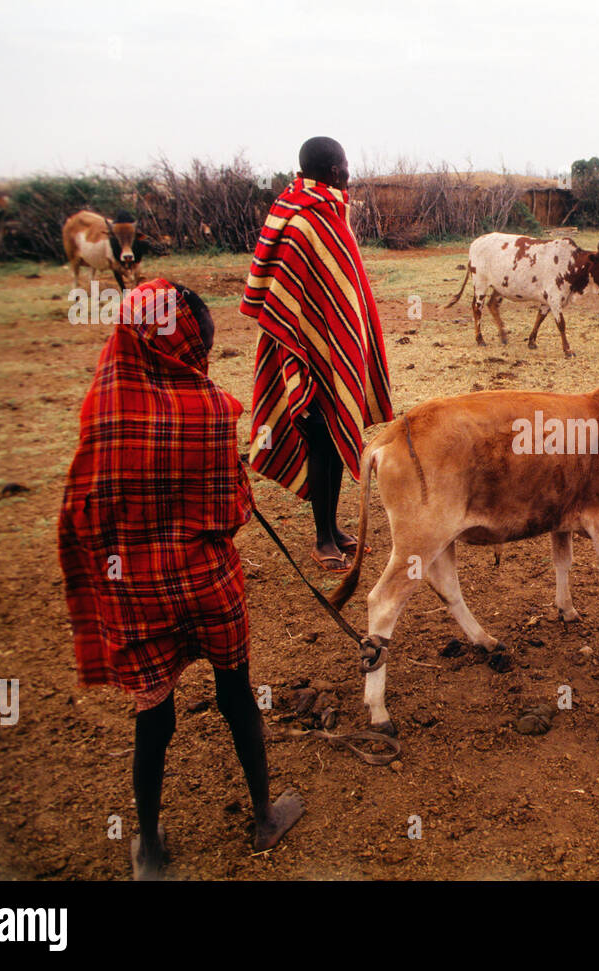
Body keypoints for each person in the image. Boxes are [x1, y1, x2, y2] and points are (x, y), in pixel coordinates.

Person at [59, 280, 303, 879]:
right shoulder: (213, 411)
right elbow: (233, 512)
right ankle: (264, 817)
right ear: (184, 347)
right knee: (236, 696)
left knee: (154, 719)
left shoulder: (102, 409)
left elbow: (84, 512)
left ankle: (149, 844)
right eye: (202, 352)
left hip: (135, 599)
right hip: (207, 588)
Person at [242, 136, 393, 571]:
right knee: (320, 444)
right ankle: (323, 536)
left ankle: (333, 528)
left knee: (329, 443)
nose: (348, 172)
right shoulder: (309, 220)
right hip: (301, 353)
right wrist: (304, 354)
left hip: (323, 349)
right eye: (344, 165)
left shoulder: (310, 206)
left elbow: (340, 291)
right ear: (331, 171)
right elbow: (290, 295)